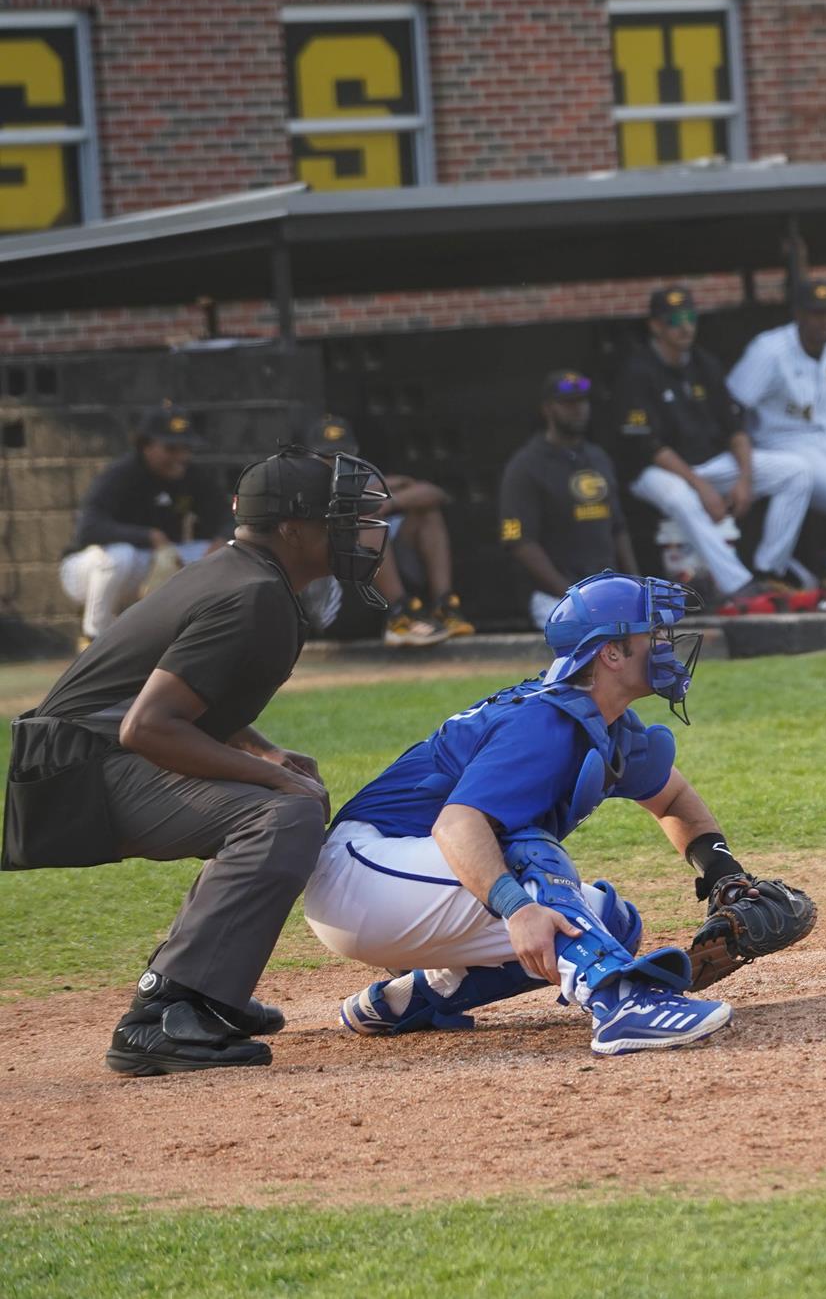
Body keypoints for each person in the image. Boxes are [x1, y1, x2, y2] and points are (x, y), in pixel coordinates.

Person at [303, 572, 815, 1056]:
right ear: (611, 653)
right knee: (527, 854)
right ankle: (622, 1005)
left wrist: (723, 873)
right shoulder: (543, 723)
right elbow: (457, 825)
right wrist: (517, 909)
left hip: (414, 881)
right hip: (364, 874)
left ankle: (408, 1000)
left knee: (611, 922)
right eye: (653, 634)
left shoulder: (604, 722)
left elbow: (675, 799)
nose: (667, 645)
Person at [5, 446, 389, 1074]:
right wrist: (271, 776)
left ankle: (204, 991)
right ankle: (169, 1014)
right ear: (292, 529)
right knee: (279, 814)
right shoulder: (251, 593)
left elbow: (189, 697)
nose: (357, 533)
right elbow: (147, 725)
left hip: (89, 758)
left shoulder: (243, 574)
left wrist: (262, 750)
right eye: (339, 519)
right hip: (79, 774)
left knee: (280, 799)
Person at [616, 285, 816, 612]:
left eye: (690, 317)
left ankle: (768, 570)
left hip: (708, 463)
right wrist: (702, 488)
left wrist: (745, 480)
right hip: (654, 471)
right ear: (655, 326)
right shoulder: (638, 371)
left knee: (796, 471)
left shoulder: (704, 364)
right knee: (682, 497)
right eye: (674, 320)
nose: (685, 327)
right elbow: (648, 446)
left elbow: (735, 429)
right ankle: (739, 585)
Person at [59, 402, 230, 647]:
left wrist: (220, 542)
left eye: (186, 448)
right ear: (146, 446)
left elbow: (227, 516)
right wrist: (149, 536)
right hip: (87, 571)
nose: (181, 457)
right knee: (121, 556)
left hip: (157, 561)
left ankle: (202, 634)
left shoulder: (191, 475)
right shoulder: (121, 474)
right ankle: (94, 637)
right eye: (171, 448)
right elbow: (88, 528)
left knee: (226, 553)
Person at [305, 414, 474, 645]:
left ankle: (443, 607)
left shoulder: (361, 477)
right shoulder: (302, 487)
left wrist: (388, 501)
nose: (337, 463)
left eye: (343, 455)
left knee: (427, 513)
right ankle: (400, 613)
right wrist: (372, 500)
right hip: (334, 607)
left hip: (375, 597)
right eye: (328, 457)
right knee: (368, 516)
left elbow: (435, 494)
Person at [498, 370, 639, 626]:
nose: (578, 410)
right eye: (568, 404)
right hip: (555, 597)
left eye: (582, 402)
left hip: (606, 591)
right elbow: (518, 542)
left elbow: (618, 528)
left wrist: (636, 585)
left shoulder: (598, 457)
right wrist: (574, 595)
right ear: (548, 409)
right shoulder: (526, 465)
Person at [726, 279, 826, 518]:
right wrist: (744, 468)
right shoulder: (769, 349)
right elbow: (733, 406)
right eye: (817, 314)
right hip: (779, 443)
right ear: (799, 314)